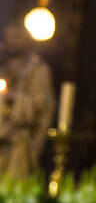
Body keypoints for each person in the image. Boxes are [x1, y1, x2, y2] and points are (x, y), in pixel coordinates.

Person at [0, 22, 55, 178]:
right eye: (8, 37)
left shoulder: (38, 70)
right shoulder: (2, 67)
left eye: (16, 37)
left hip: (19, 143)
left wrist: (14, 98)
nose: (12, 42)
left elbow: (43, 106)